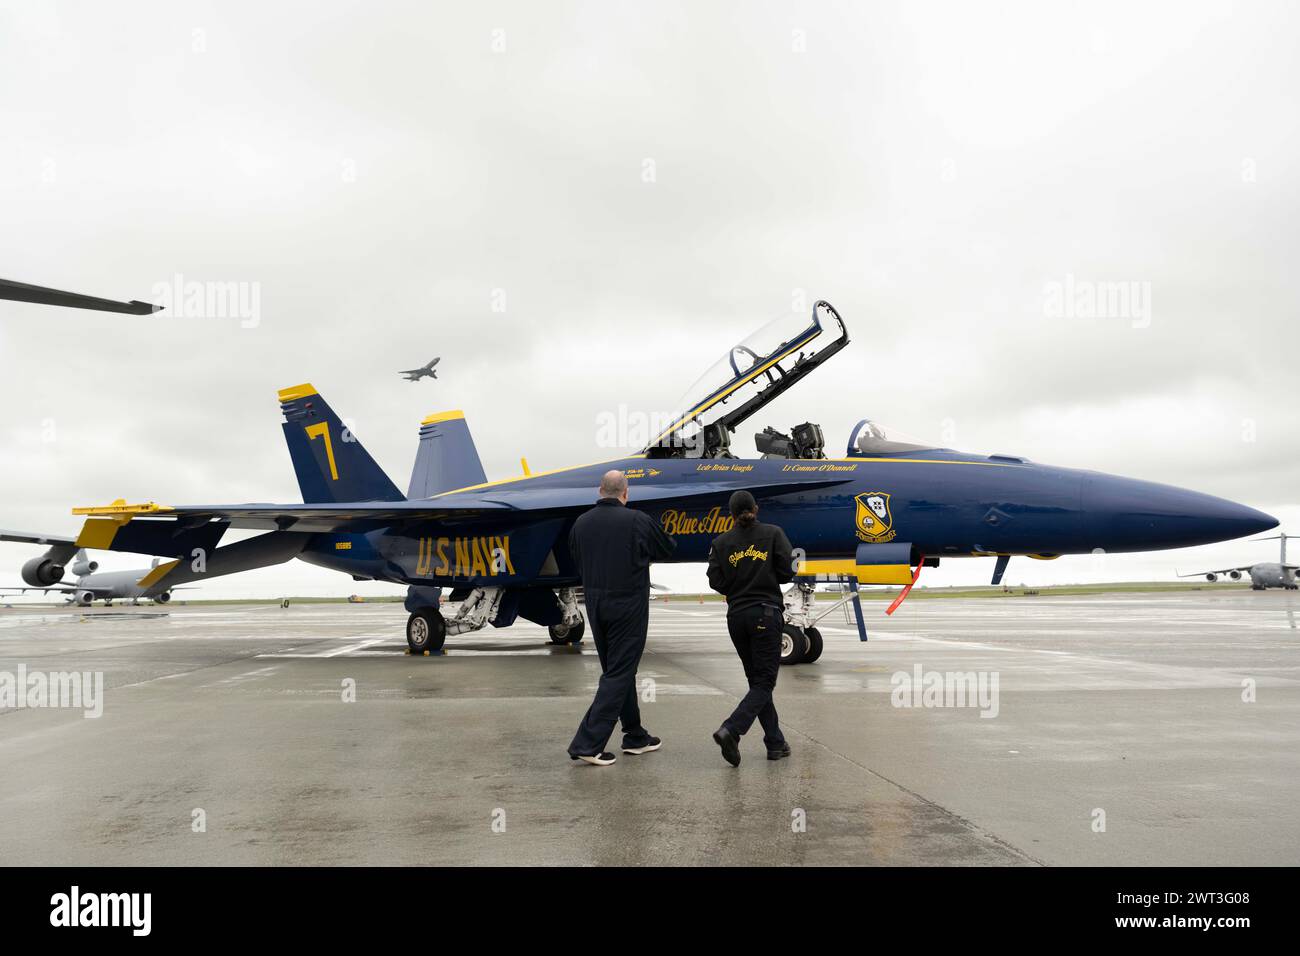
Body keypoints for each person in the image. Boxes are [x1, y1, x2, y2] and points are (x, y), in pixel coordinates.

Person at [567, 469, 677, 766]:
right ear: (625, 493)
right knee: (618, 673)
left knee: (618, 669)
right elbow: (667, 548)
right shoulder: (637, 520)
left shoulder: (581, 523)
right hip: (628, 603)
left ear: (600, 491)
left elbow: (575, 557)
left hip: (595, 603)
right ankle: (588, 744)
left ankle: (635, 736)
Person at [706, 490, 795, 766]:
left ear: (730, 514)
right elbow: (788, 569)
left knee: (757, 683)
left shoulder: (721, 543)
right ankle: (731, 730)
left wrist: (737, 583)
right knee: (764, 682)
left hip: (737, 618)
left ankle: (775, 742)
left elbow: (715, 581)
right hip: (765, 615)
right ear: (756, 509)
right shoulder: (773, 533)